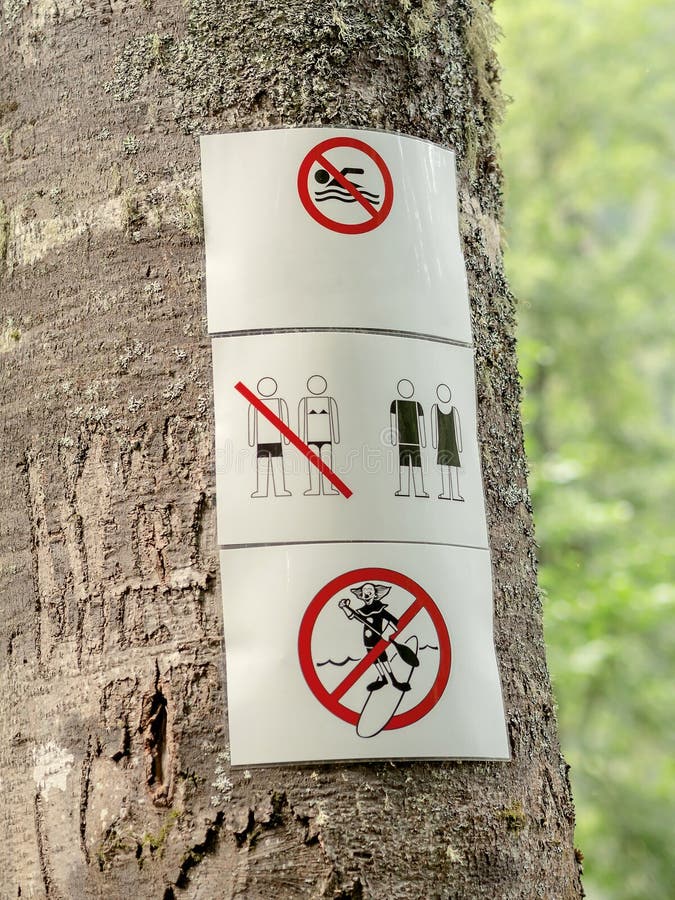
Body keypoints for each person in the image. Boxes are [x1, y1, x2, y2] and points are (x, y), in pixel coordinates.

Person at [339, 583, 411, 692]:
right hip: (367, 641)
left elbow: (395, 621)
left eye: (369, 593)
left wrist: (387, 633)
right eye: (364, 593)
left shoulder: (379, 609)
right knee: (373, 659)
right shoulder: (363, 610)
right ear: (361, 596)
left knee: (383, 658)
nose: (366, 595)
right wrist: (344, 607)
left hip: (378, 640)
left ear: (375, 595)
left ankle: (394, 681)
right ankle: (383, 679)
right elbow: (351, 616)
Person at [248, 377, 291, 498]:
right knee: (263, 465)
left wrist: (287, 438)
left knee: (277, 465)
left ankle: (280, 490)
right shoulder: (255, 404)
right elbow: (252, 422)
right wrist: (251, 441)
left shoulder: (280, 403)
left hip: (276, 441)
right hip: (262, 441)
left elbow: (285, 421)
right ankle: (261, 491)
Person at [297, 375, 340, 495]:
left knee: (327, 463)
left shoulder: (330, 401)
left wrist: (336, 438)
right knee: (314, 465)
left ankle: (328, 488)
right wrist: (301, 440)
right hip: (311, 440)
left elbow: (334, 421)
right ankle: (315, 489)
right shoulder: (304, 402)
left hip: (327, 439)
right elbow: (302, 421)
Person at [389, 379, 429, 498]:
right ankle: (404, 490)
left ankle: (419, 491)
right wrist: (393, 437)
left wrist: (423, 441)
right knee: (404, 465)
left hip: (415, 442)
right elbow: (392, 421)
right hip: (403, 441)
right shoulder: (395, 404)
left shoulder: (417, 405)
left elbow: (421, 423)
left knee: (416, 466)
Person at [431, 383, 464, 501]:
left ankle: (456, 493)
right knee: (444, 468)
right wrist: (434, 444)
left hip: (453, 443)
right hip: (442, 443)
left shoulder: (454, 410)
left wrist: (460, 446)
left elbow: (458, 429)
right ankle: (445, 492)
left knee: (454, 469)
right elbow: (434, 427)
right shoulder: (435, 409)